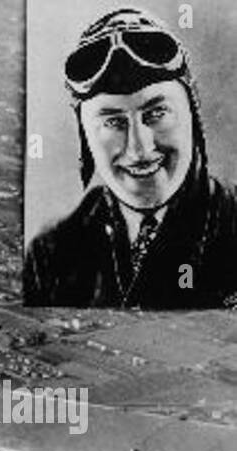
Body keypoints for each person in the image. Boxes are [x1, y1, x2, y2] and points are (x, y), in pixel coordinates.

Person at [24, 7, 237, 309]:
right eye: (113, 122)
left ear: (192, 116)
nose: (139, 149)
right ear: (87, 139)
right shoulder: (51, 254)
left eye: (157, 113)